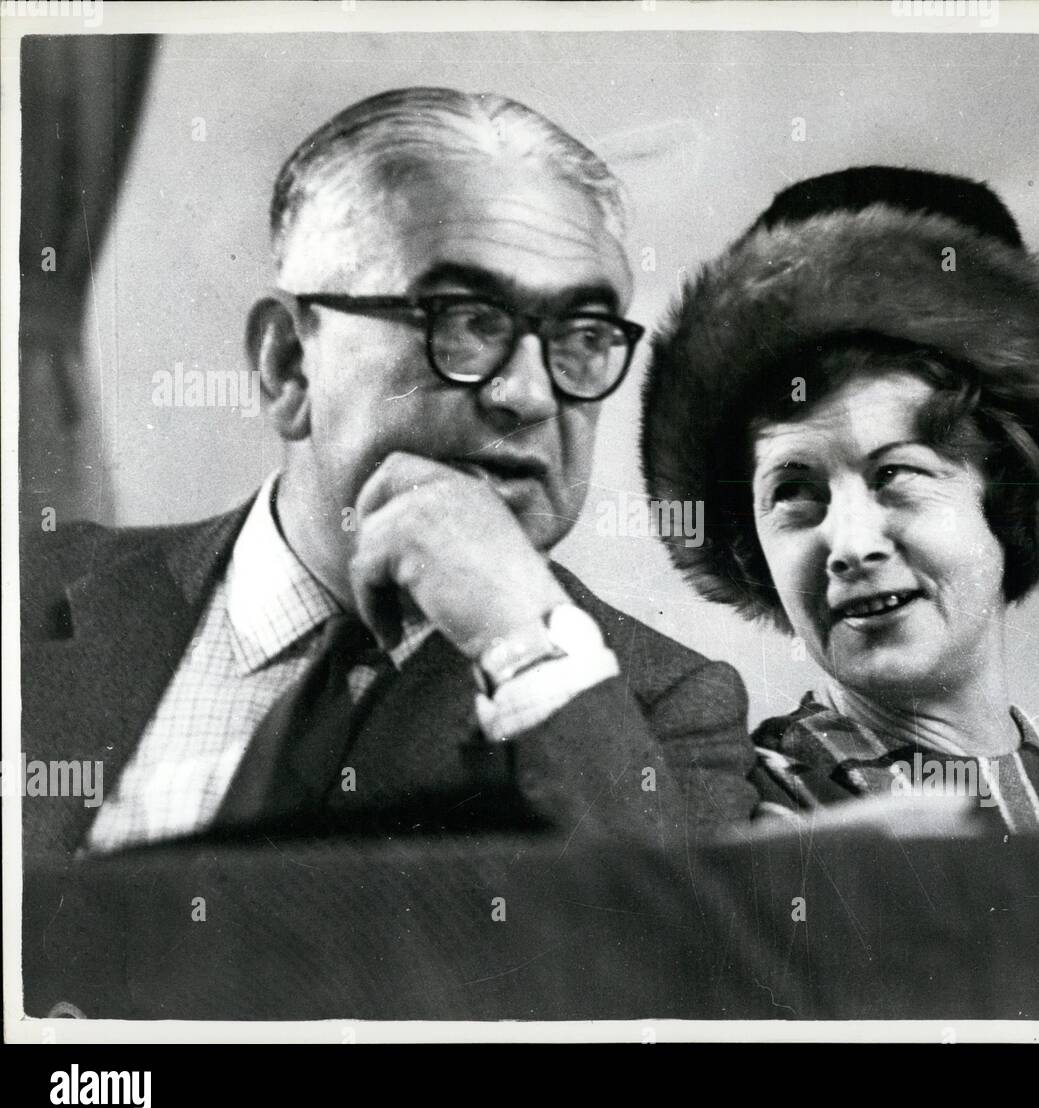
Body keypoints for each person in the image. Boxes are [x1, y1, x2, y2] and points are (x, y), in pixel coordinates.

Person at [20, 87, 759, 858]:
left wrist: (523, 643)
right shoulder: (28, 593)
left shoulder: (653, 707)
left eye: (581, 335)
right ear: (287, 366)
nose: (532, 395)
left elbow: (666, 958)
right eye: (468, 322)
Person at [641, 166, 1039, 834]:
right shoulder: (737, 807)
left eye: (894, 475)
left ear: (1008, 492)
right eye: (794, 492)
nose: (851, 545)